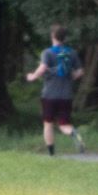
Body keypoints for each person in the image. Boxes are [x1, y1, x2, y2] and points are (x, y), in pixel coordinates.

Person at [22, 25, 86, 155]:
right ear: (64, 37)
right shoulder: (71, 52)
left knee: (48, 123)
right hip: (66, 95)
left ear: (52, 36)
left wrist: (32, 76)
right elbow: (80, 72)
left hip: (49, 94)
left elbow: (42, 68)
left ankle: (51, 153)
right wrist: (71, 76)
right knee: (64, 124)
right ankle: (73, 133)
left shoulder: (48, 52)